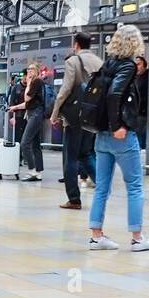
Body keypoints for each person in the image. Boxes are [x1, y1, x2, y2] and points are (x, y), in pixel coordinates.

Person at [88, 25, 149, 252]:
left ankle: (97, 236)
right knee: (134, 185)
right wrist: (118, 126)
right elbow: (115, 95)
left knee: (101, 188)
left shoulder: (107, 65)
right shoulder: (127, 66)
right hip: (121, 134)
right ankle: (137, 237)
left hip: (102, 135)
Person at [51, 32, 102, 210]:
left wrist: (55, 113)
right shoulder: (99, 62)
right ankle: (103, 186)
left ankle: (74, 198)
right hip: (92, 116)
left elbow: (65, 90)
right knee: (86, 153)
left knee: (70, 157)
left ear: (76, 44)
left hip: (75, 116)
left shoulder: (73, 61)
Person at [9, 64, 46, 181]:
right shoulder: (37, 83)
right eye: (28, 69)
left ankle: (32, 171)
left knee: (25, 143)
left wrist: (29, 84)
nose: (29, 71)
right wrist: (14, 107)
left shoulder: (36, 82)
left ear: (37, 71)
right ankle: (38, 172)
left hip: (35, 115)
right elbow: (28, 104)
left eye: (32, 69)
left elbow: (27, 98)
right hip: (34, 113)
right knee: (36, 144)